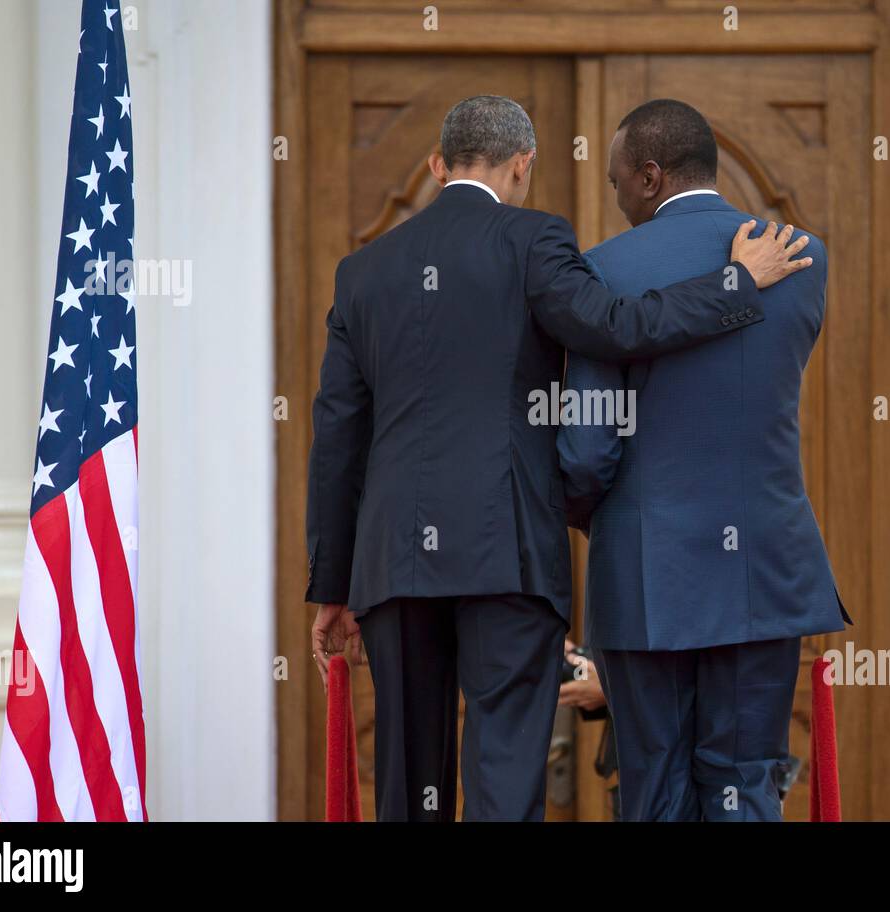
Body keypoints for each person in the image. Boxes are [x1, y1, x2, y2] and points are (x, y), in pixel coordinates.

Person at [304, 95, 812, 821]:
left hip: (393, 563)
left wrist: (332, 583)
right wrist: (734, 283)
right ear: (523, 165)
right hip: (505, 549)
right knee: (505, 779)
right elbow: (616, 327)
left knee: (405, 784)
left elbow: (337, 439)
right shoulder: (534, 239)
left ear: (436, 166)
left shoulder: (362, 271)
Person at [557, 99, 849, 822]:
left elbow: (589, 447)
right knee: (747, 782)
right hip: (765, 564)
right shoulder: (803, 256)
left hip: (648, 568)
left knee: (652, 787)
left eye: (620, 180)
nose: (617, 197)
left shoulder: (602, 271)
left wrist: (607, 520)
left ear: (651, 175)